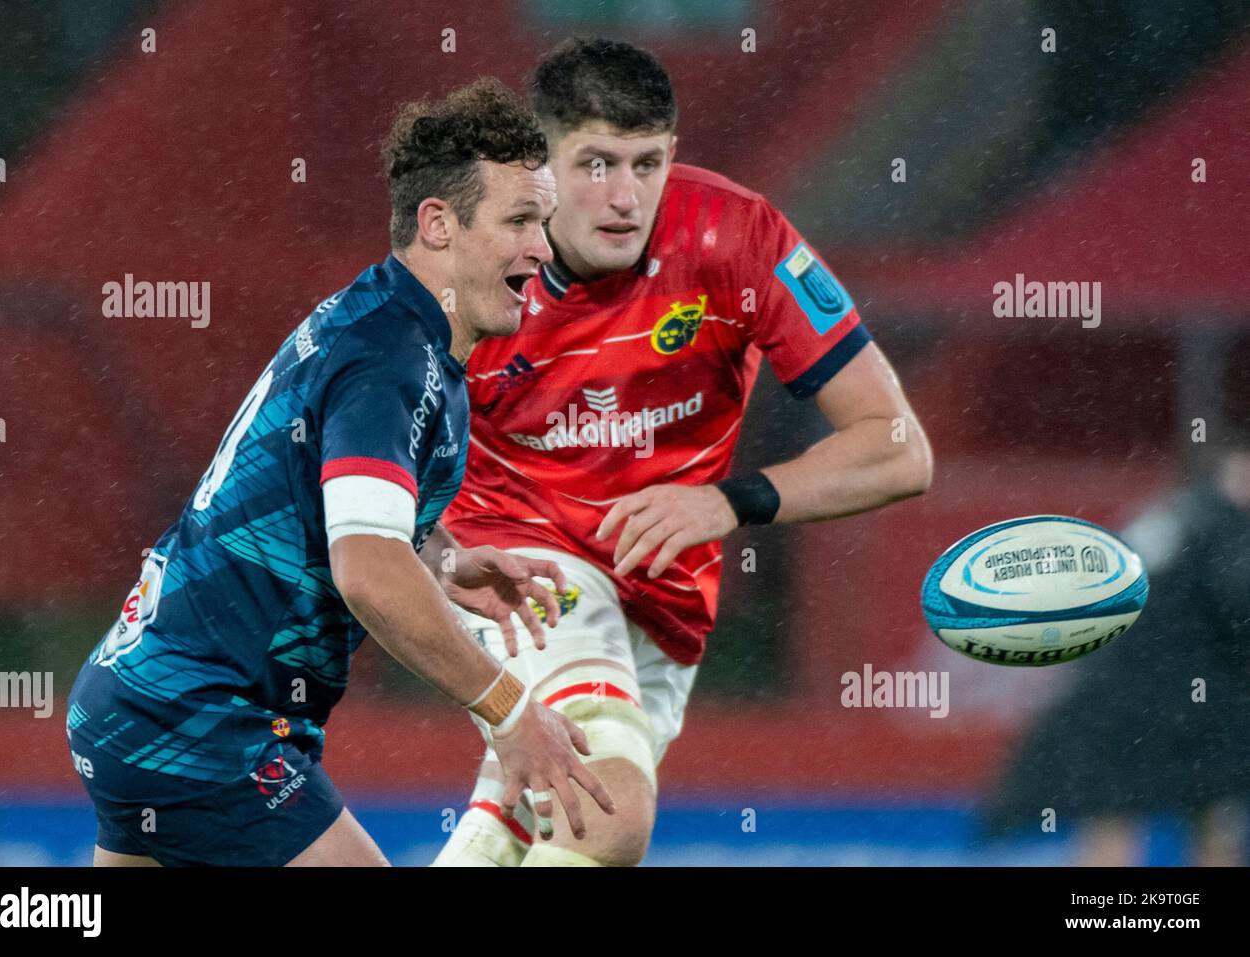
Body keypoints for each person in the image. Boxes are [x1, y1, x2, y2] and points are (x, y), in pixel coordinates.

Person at [65, 78, 613, 867]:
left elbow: (361, 521)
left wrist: (448, 558)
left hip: (142, 702)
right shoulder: (390, 359)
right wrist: (510, 710)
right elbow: (369, 571)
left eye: (546, 221)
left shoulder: (390, 330)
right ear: (437, 224)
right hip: (204, 720)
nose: (544, 247)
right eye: (521, 220)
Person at [433, 38, 933, 867]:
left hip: (666, 593)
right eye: (593, 164)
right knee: (608, 811)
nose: (624, 197)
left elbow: (896, 447)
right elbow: (381, 451)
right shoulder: (474, 267)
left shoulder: (740, 238)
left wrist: (726, 502)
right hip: (521, 560)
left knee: (519, 833)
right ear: (537, 164)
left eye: (646, 163)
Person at [980, 340, 1250, 866]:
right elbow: (1237, 602)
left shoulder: (1167, 515)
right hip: (1186, 705)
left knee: (1117, 821)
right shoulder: (1224, 528)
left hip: (1113, 697)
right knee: (1209, 817)